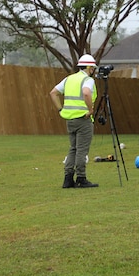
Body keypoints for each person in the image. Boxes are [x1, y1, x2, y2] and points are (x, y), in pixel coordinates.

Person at [50, 54, 99, 188]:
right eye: (93, 67)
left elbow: (53, 93)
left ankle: (68, 179)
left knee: (73, 149)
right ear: (89, 67)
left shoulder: (68, 79)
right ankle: (81, 178)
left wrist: (60, 109)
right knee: (82, 149)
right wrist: (90, 110)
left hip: (69, 119)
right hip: (83, 119)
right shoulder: (87, 80)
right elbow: (86, 93)